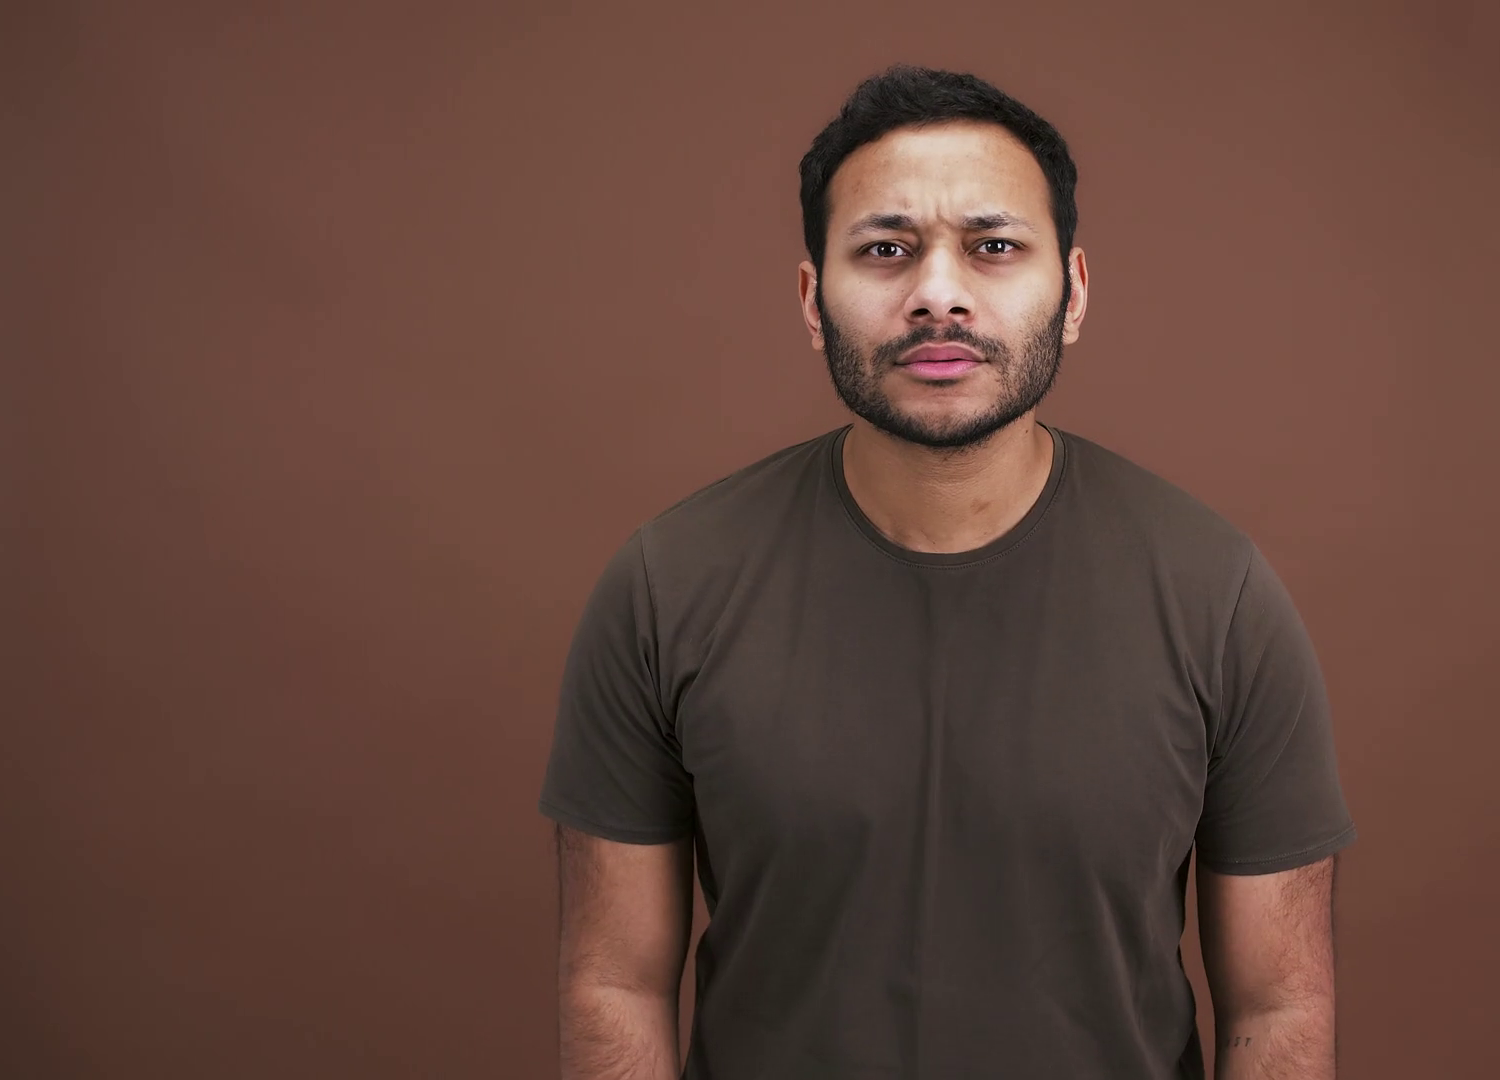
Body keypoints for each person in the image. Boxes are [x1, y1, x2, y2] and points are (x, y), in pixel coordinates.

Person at [539, 65, 1356, 1080]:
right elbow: (612, 986)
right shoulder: (668, 586)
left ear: (1074, 292)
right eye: (886, 251)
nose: (937, 294)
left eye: (993, 247)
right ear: (811, 298)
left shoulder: (1218, 597)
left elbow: (1278, 1012)